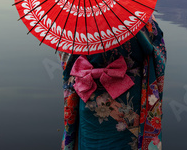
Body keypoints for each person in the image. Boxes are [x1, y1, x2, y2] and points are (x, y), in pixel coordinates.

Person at [60, 19, 165, 150]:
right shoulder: (137, 17)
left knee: (89, 143)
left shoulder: (76, 19)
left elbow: (67, 61)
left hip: (89, 97)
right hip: (127, 99)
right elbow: (156, 53)